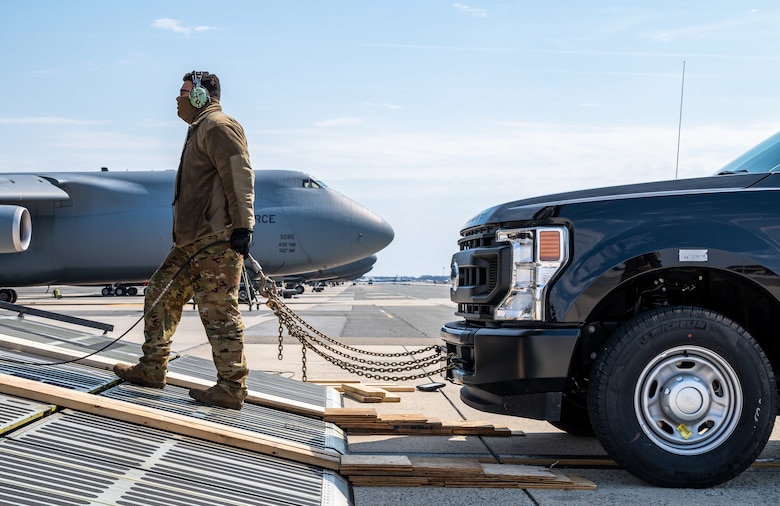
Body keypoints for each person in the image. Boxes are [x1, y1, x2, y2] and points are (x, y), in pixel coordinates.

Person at [113, 71, 255, 410]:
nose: (178, 99)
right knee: (159, 293)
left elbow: (240, 174)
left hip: (215, 240)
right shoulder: (199, 129)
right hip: (190, 241)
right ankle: (152, 368)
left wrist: (243, 226)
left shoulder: (219, 126)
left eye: (184, 92)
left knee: (218, 311)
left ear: (200, 97)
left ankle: (231, 387)